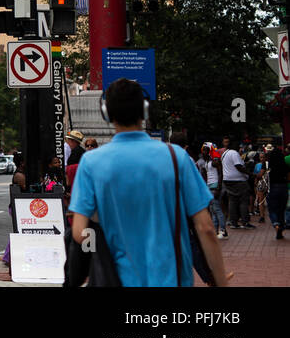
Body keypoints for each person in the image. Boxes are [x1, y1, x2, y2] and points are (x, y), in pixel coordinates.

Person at [68, 79, 231, 286]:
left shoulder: (91, 163)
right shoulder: (176, 157)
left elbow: (80, 231)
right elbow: (206, 227)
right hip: (172, 279)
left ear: (106, 113)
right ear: (144, 111)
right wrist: (220, 281)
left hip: (116, 279)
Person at [218, 136, 251, 230]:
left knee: (232, 201)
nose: (240, 148)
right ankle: (245, 222)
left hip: (227, 180)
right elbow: (238, 166)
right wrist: (250, 174)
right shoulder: (234, 153)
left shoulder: (225, 153)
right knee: (244, 201)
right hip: (238, 180)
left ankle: (233, 222)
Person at [198, 143, 227, 238]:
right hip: (210, 187)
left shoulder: (214, 161)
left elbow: (220, 174)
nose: (204, 152)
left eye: (206, 150)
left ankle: (222, 231)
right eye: (203, 150)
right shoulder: (206, 162)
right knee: (213, 210)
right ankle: (216, 230)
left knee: (217, 209)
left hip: (215, 187)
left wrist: (218, 187)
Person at [265, 141, 288, 239]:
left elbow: (266, 179)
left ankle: (276, 224)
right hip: (283, 188)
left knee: (272, 209)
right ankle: (281, 229)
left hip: (273, 188)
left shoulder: (270, 168)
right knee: (281, 210)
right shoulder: (285, 167)